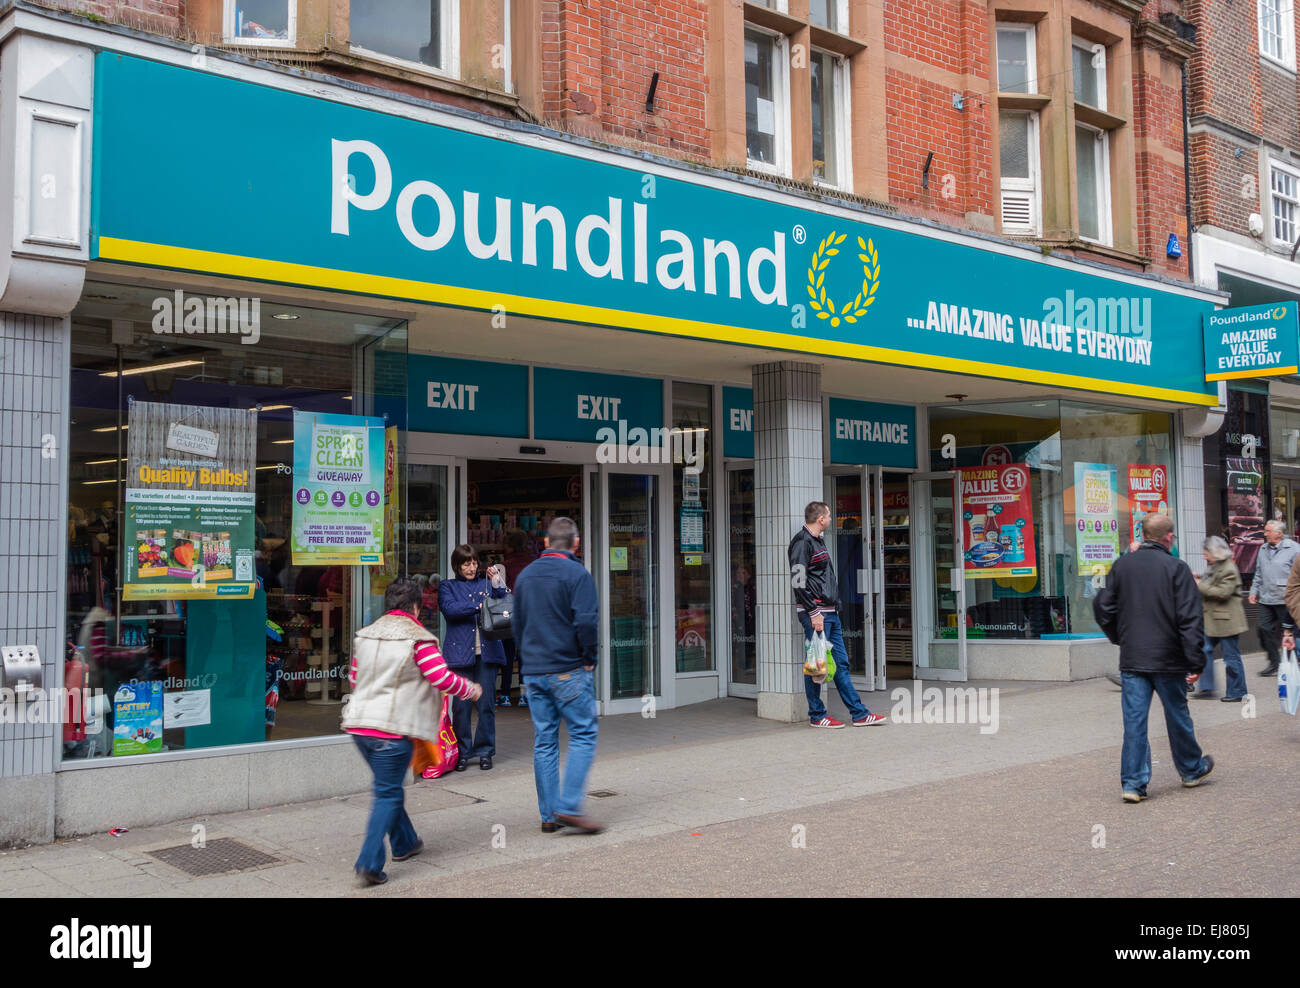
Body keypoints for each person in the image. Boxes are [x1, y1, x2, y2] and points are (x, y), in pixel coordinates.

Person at [342, 578, 481, 885]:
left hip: (359, 727)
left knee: (388, 788)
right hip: (392, 730)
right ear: (417, 607)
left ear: (389, 604)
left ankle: (405, 842)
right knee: (388, 792)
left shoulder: (365, 635)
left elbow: (354, 677)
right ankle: (368, 862)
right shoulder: (417, 639)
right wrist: (471, 689)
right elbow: (441, 678)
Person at [1093, 512, 1215, 803]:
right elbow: (1190, 619)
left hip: (1134, 658)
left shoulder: (1122, 566)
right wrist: (1195, 660)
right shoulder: (1177, 568)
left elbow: (1102, 607)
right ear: (1169, 538)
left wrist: (1120, 637)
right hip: (1169, 659)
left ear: (1143, 535)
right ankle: (1190, 769)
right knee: (1177, 715)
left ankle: (1133, 783)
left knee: (1134, 721)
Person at [513, 516, 603, 834]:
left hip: (535, 673)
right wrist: (589, 659)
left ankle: (549, 816)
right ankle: (570, 806)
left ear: (547, 543)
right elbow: (587, 623)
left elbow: (517, 625)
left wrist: (528, 663)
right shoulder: (578, 574)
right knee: (583, 734)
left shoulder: (525, 576)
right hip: (567, 669)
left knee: (545, 740)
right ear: (576, 544)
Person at [789, 501, 887, 728]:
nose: (831, 519)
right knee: (817, 665)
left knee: (840, 663)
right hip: (817, 614)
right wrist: (813, 612)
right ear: (820, 519)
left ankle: (859, 714)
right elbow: (797, 581)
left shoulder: (817, 541)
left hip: (829, 612)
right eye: (829, 516)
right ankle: (817, 716)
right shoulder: (802, 543)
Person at [438, 545, 508, 770]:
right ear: (457, 565)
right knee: (461, 707)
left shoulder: (485, 584)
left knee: (486, 705)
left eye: (474, 563)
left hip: (487, 653)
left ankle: (486, 751)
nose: (471, 567)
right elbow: (451, 610)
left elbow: (502, 599)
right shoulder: (447, 586)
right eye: (466, 563)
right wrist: (478, 606)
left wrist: (497, 580)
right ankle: (462, 752)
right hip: (460, 654)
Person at [1195, 535, 1248, 703]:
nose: (1204, 556)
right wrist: (1198, 578)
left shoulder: (1229, 568)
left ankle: (1237, 691)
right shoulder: (1215, 566)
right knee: (1204, 650)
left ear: (1215, 552)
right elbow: (1209, 585)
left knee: (1231, 657)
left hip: (1227, 621)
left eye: (1206, 553)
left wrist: (1199, 584)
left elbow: (1222, 593)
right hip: (1213, 620)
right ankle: (1207, 687)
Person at [1248, 519, 1300, 677]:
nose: (1265, 534)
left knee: (1289, 631)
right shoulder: (1263, 549)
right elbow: (1258, 572)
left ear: (1279, 533)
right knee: (1263, 628)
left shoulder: (1293, 548)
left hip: (1286, 598)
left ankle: (1292, 663)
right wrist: (1253, 591)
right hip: (1266, 597)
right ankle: (1275, 662)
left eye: (1268, 531)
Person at [497, 529, 536, 708]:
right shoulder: (533, 564)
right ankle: (524, 695)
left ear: (510, 546)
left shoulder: (503, 566)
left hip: (508, 615)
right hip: (528, 616)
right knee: (525, 657)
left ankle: (504, 694)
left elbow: (498, 593)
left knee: (507, 656)